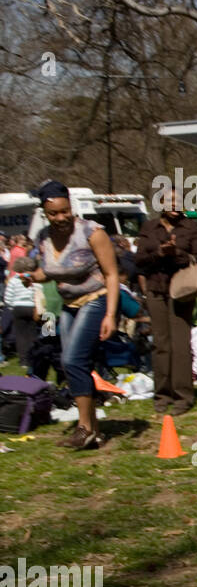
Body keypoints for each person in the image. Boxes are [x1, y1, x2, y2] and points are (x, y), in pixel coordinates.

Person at [28, 180, 120, 448]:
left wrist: (111, 314)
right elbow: (50, 271)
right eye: (53, 213)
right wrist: (33, 277)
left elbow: (112, 274)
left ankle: (83, 428)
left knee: (72, 359)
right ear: (45, 213)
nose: (60, 218)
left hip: (96, 299)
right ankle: (95, 431)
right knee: (75, 366)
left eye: (64, 211)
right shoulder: (44, 237)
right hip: (69, 305)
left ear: (71, 207)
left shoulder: (92, 232)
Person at [136, 187, 197, 416]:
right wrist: (159, 252)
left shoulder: (191, 227)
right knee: (160, 344)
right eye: (170, 201)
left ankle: (183, 396)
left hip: (182, 291)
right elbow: (139, 260)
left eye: (179, 201)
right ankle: (162, 395)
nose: (175, 205)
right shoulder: (149, 227)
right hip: (156, 290)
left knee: (180, 345)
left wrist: (177, 253)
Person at [3, 255, 46, 371]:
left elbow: (7, 298)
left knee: (20, 335)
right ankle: (33, 357)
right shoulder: (35, 281)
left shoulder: (13, 281)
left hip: (17, 308)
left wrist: (12, 307)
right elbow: (39, 294)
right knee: (32, 333)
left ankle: (23, 360)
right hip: (32, 308)